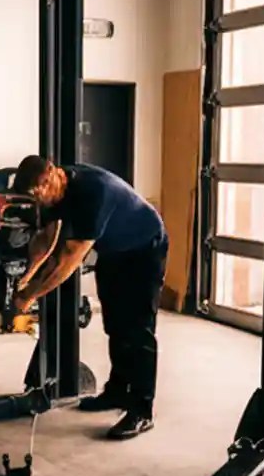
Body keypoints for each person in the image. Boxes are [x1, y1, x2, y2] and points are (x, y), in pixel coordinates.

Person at [10, 155, 168, 440]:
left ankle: (142, 410)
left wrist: (29, 296)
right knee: (115, 324)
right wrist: (27, 276)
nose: (42, 196)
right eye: (35, 194)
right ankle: (118, 391)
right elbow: (47, 240)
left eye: (44, 187)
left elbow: (66, 263)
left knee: (139, 330)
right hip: (114, 252)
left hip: (145, 247)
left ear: (54, 172)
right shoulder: (54, 195)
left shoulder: (92, 193)